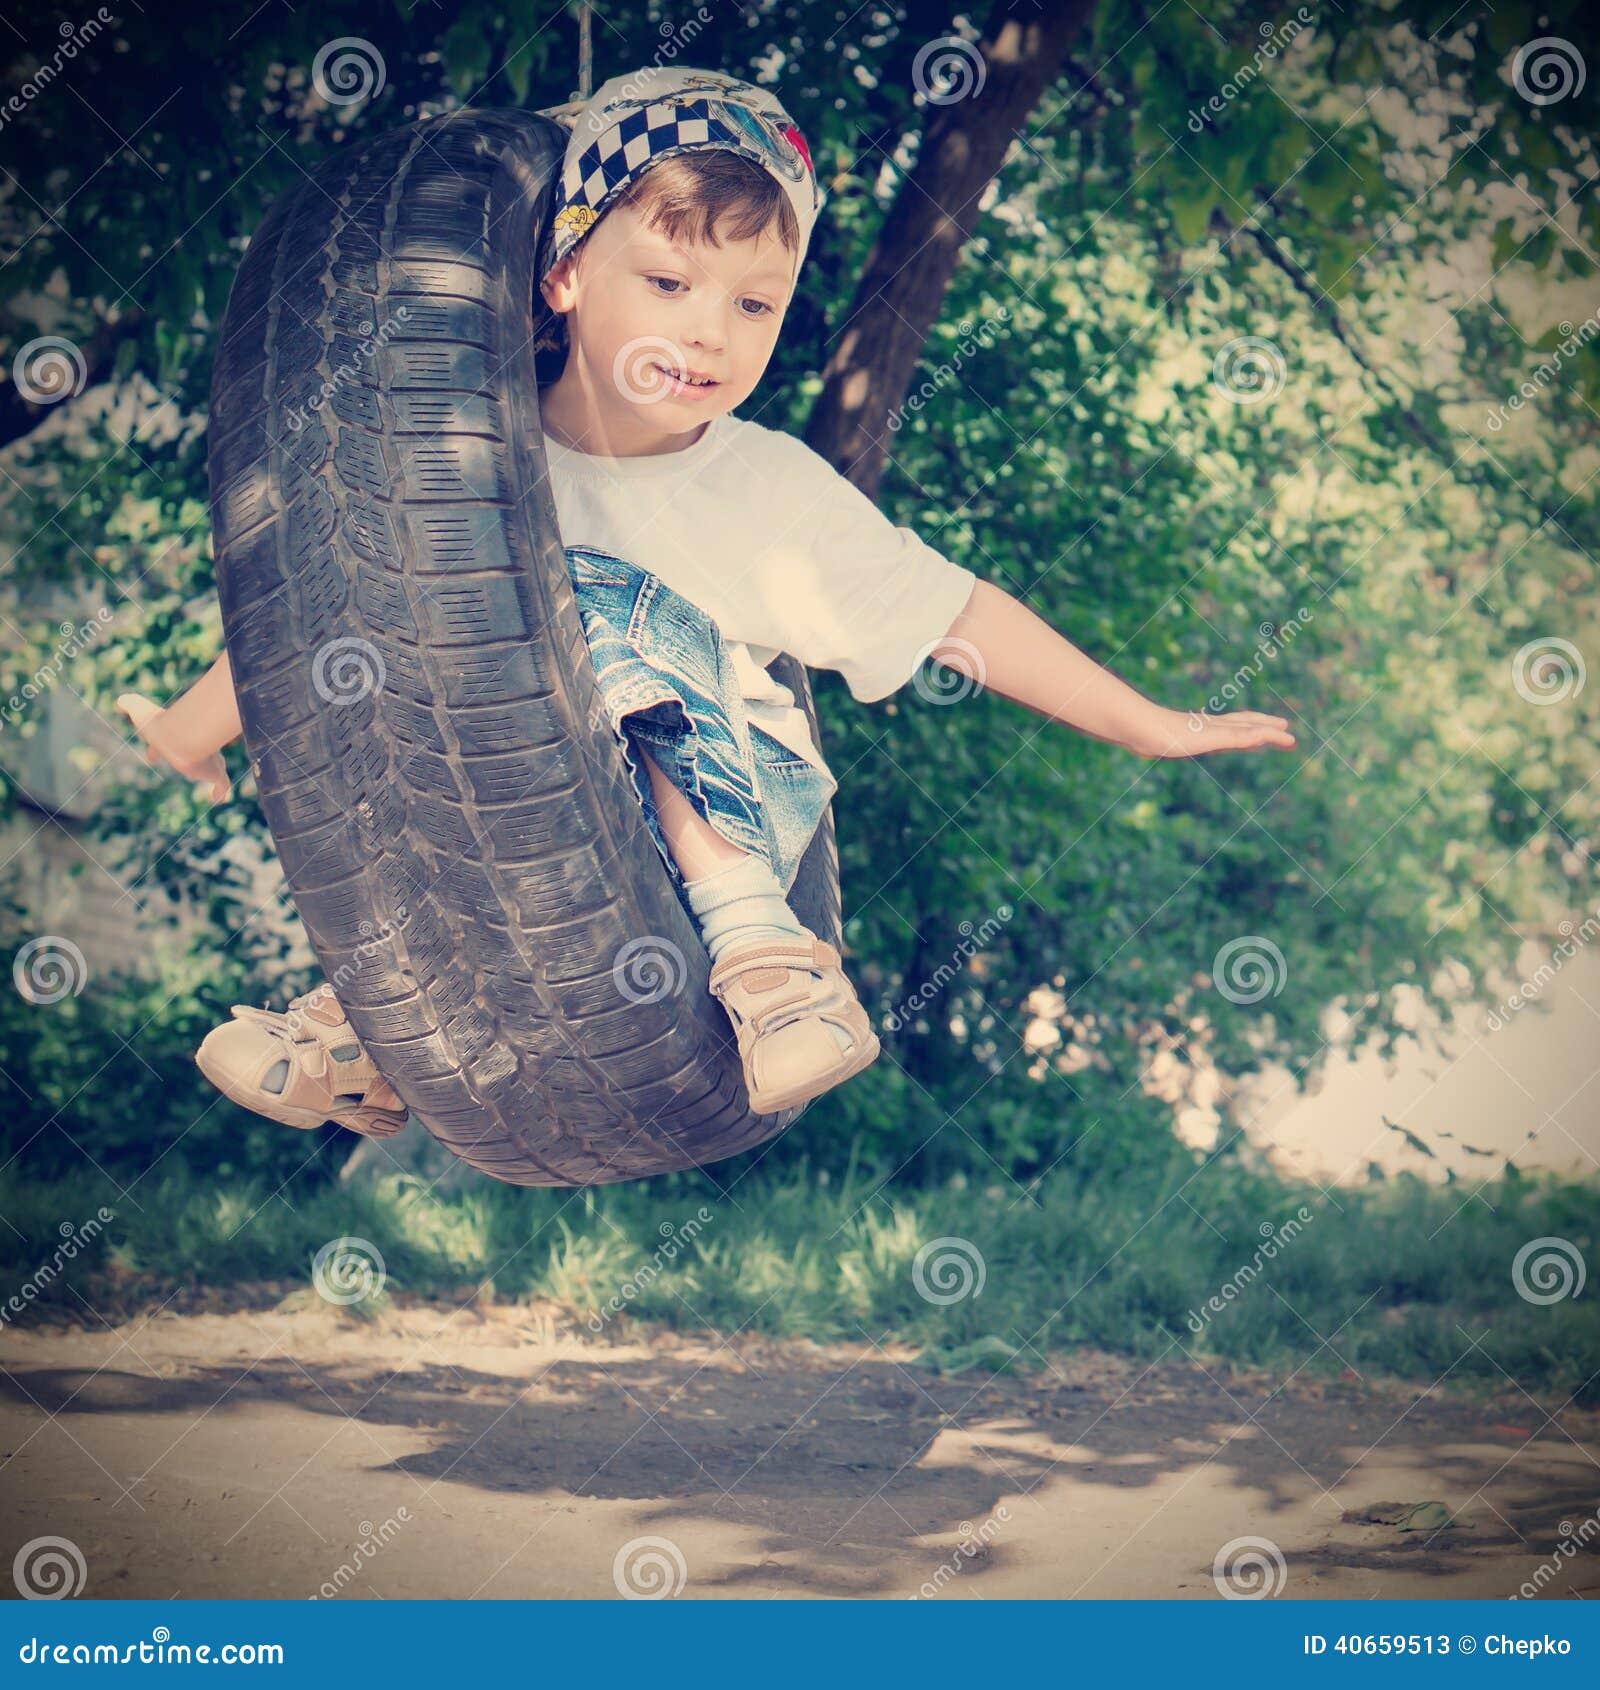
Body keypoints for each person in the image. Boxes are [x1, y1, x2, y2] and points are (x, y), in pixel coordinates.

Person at [118, 66, 1294, 1142]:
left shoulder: (766, 487)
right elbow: (321, 611)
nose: (706, 330)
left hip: (716, 848)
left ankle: (774, 965)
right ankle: (371, 1029)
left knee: (570, 597)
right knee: (424, 655)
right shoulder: (454, 452)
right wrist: (192, 727)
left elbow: (954, 615)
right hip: (522, 856)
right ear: (567, 272)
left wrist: (1149, 722)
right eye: (670, 281)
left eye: (753, 304)